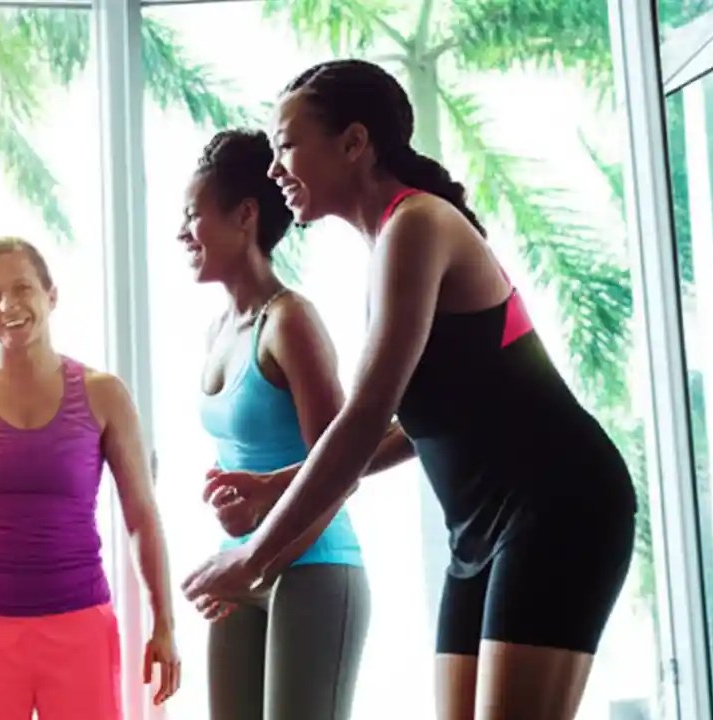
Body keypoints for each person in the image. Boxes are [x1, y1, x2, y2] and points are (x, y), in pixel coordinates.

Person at [180, 59, 637, 720]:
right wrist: (279, 481)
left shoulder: (417, 225)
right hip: (479, 532)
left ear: (354, 143)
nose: (275, 168)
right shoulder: (391, 241)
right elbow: (418, 427)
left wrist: (255, 556)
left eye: (286, 144)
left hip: (559, 507)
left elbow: (363, 417)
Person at [182, 128, 413, 719]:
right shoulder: (216, 333)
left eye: (193, 216)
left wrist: (263, 539)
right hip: (240, 566)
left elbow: (342, 470)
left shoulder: (290, 323)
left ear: (245, 215)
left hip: (312, 567)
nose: (183, 233)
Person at [0, 237, 181, 719]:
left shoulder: (104, 394)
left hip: (79, 622)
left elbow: (141, 516)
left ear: (51, 296)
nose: (8, 305)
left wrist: (165, 625)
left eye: (22, 289)